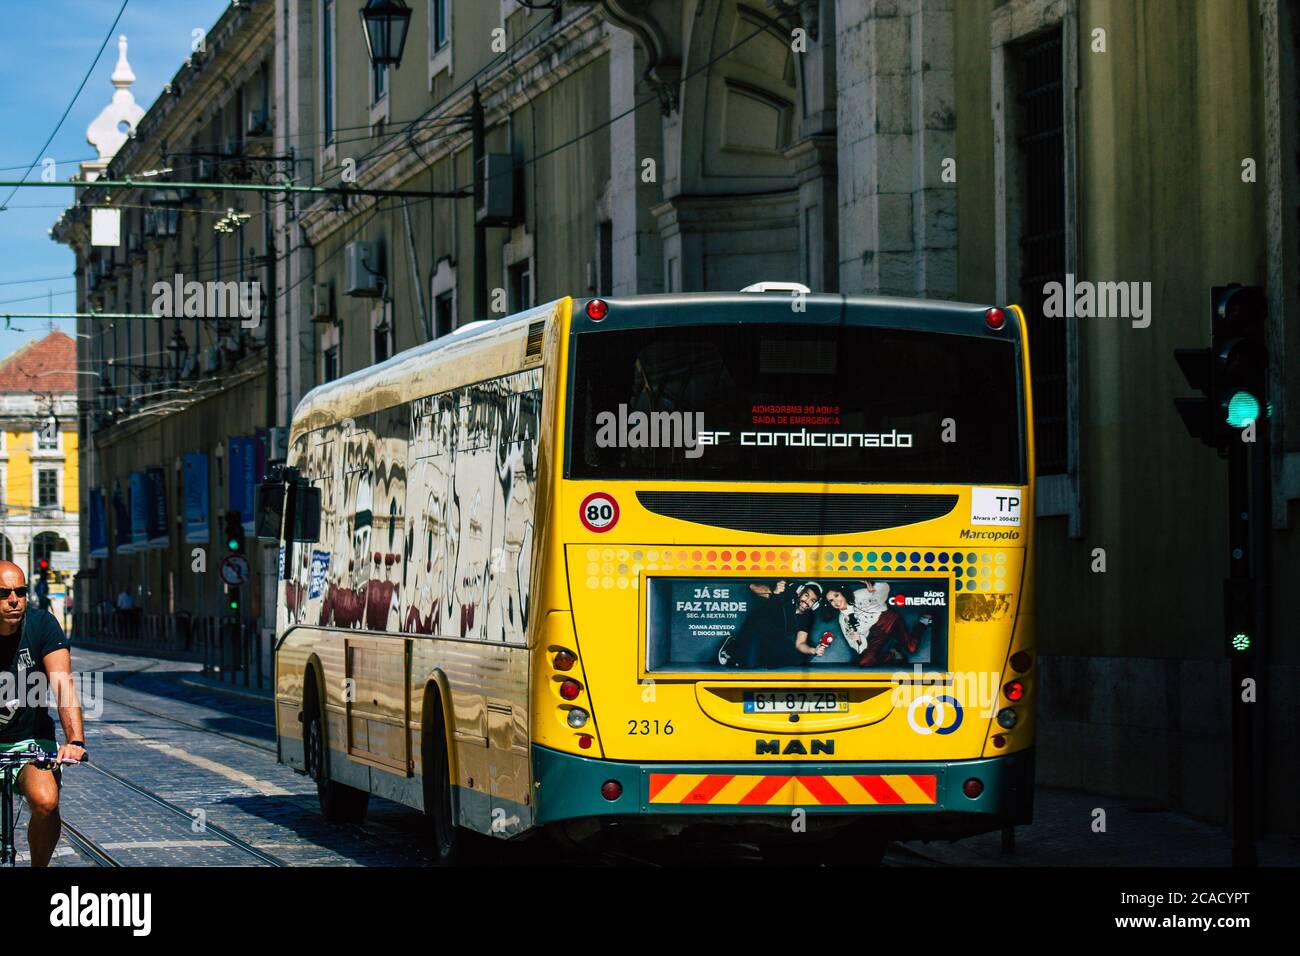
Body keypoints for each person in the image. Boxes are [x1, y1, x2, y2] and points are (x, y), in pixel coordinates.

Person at [0, 561, 87, 867]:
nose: (14, 599)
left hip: (30, 740)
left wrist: (75, 740)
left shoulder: (41, 625)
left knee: (46, 801)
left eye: (20, 592)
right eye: (4, 593)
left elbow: (63, 685)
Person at [718, 580, 825, 669]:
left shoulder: (807, 617)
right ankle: (733, 645)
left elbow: (800, 643)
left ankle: (759, 656)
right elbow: (753, 586)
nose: (807, 601)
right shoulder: (786, 595)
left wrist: (813, 650)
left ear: (814, 604)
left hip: (773, 638)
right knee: (747, 664)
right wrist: (774, 592)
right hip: (755, 631)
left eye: (812, 600)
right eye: (806, 595)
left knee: (798, 658)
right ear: (800, 592)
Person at [824, 581, 918, 666]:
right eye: (831, 601)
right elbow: (853, 642)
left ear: (842, 593)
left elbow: (883, 594)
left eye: (836, 596)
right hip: (874, 634)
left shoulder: (858, 595)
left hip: (887, 620)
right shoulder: (843, 620)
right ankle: (893, 653)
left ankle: (922, 623)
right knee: (865, 662)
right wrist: (859, 639)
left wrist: (875, 588)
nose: (835, 602)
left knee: (912, 648)